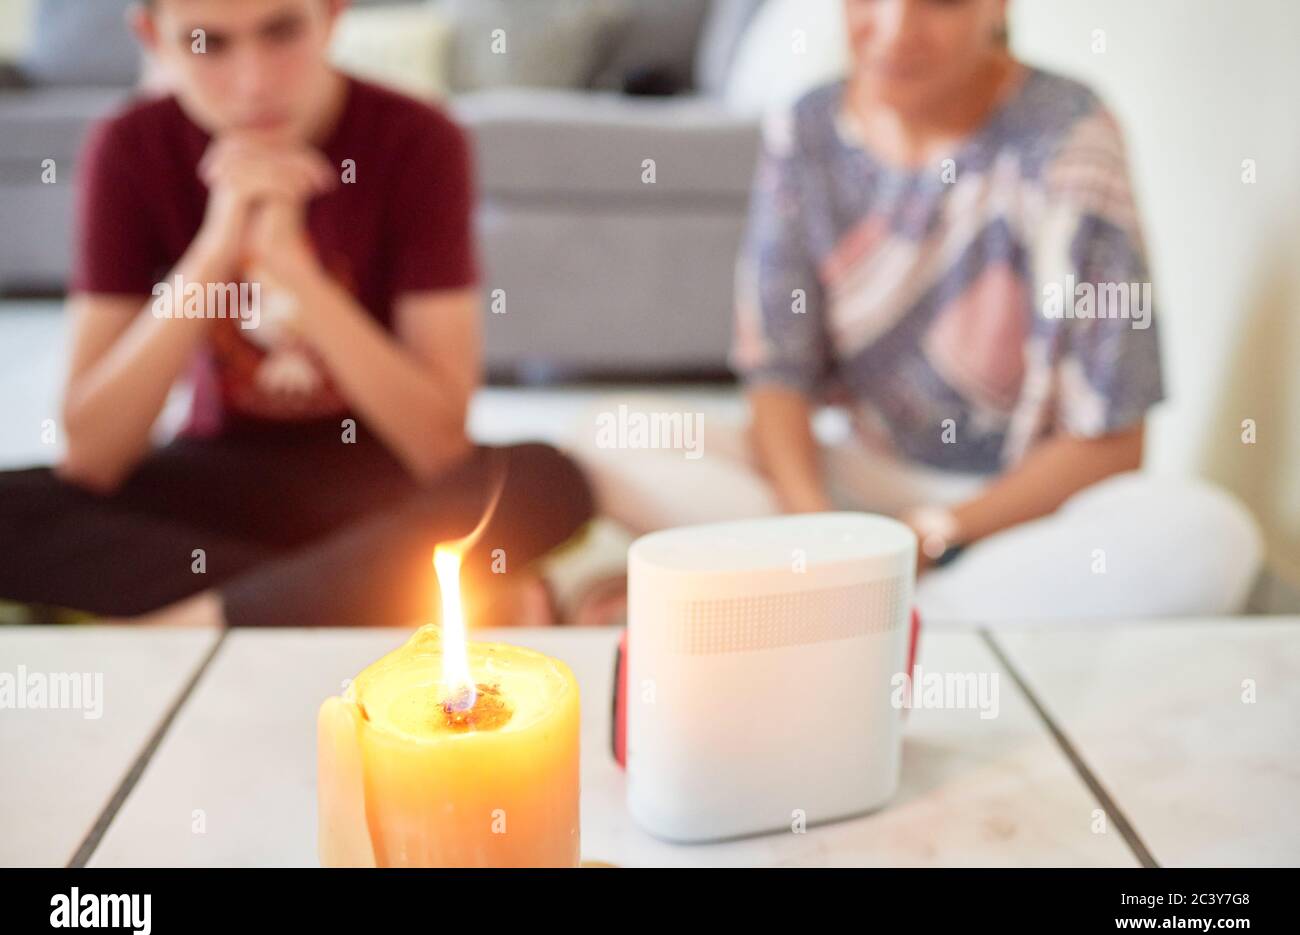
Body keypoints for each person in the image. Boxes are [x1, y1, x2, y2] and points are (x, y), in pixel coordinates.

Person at [568, 0, 1262, 622]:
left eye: (941, 2)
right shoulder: (805, 127)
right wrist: (818, 532)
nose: (896, 29)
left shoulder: (1073, 136)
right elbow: (778, 377)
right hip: (857, 483)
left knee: (1209, 537)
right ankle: (860, 600)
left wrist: (932, 534)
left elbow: (1114, 445)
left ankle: (886, 614)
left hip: (1012, 513)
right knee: (608, 434)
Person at [0, 0, 593, 627]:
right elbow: (92, 457)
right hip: (220, 475)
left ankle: (201, 619)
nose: (254, 81)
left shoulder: (419, 137)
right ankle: (356, 594)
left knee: (541, 481)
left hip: (381, 482)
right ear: (154, 39)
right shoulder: (130, 146)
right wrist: (216, 246)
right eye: (208, 43)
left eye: (281, 31)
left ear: (332, 16)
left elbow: (440, 447)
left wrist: (295, 275)